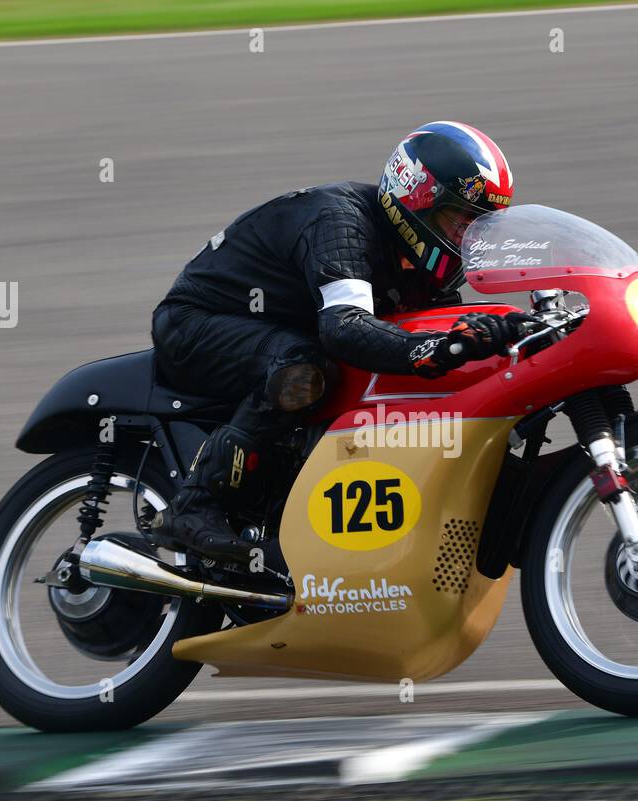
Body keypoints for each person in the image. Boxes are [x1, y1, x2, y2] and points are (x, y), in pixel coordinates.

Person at [148, 121, 525, 559]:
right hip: (197, 322)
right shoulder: (340, 220)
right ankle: (195, 506)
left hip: (277, 328)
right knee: (302, 366)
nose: (466, 240)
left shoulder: (421, 269)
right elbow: (344, 327)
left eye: (478, 228)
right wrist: (433, 348)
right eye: (458, 222)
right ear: (417, 196)